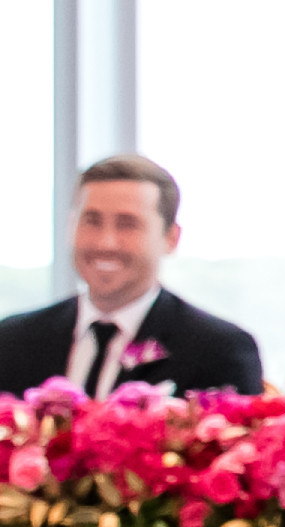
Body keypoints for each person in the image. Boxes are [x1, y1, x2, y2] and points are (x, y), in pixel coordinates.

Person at [0, 153, 268, 395]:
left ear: (171, 238)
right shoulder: (12, 341)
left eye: (127, 225)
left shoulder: (219, 350)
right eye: (92, 221)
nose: (105, 242)